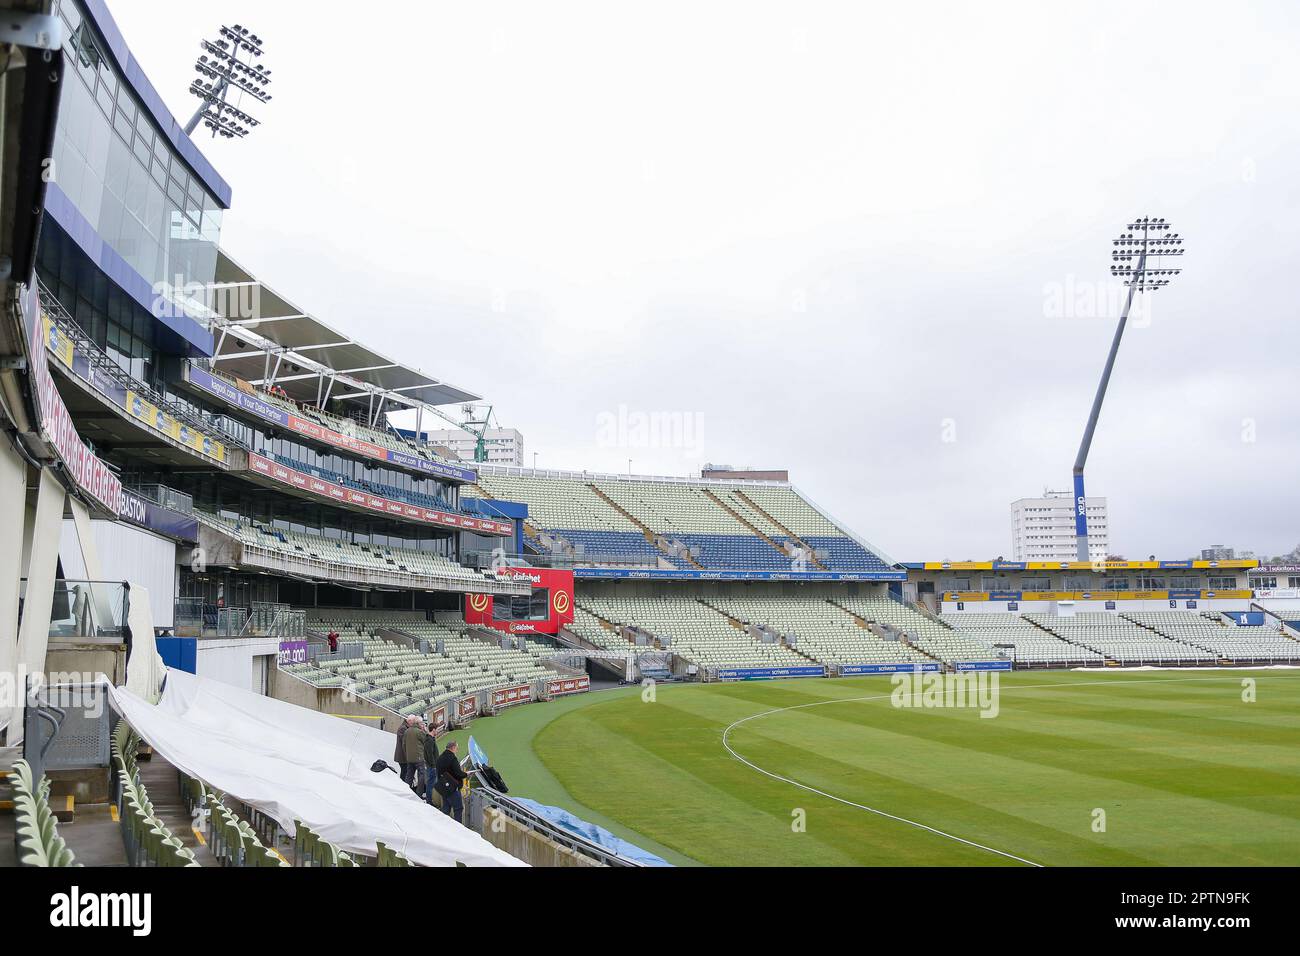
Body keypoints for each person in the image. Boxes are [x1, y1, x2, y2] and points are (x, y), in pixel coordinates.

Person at [434, 740, 468, 823]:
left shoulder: (440, 757)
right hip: (453, 788)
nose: (457, 750)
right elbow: (458, 773)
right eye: (457, 748)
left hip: (443, 787)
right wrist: (465, 774)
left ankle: (445, 826)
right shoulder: (453, 758)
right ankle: (458, 829)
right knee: (458, 808)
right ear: (453, 748)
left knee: (446, 808)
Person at [402, 718, 427, 794]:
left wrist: (407, 755)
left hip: (409, 758)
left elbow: (403, 745)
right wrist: (425, 731)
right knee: (421, 775)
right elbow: (426, 741)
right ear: (419, 723)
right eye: (422, 723)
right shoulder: (419, 732)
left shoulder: (407, 731)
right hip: (419, 758)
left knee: (409, 776)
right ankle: (419, 794)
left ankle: (407, 792)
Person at [395, 714, 417, 786]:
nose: (414, 724)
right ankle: (402, 787)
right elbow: (407, 741)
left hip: (404, 756)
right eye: (413, 722)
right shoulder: (403, 728)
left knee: (405, 772)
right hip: (402, 757)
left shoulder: (405, 727)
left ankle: (404, 787)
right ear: (410, 721)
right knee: (404, 772)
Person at [422, 727, 441, 805]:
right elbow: (429, 754)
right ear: (433, 729)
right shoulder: (429, 740)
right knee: (430, 784)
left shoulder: (430, 739)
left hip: (432, 765)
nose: (437, 731)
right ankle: (429, 801)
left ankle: (430, 800)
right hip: (432, 766)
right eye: (437, 729)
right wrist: (433, 765)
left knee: (431, 783)